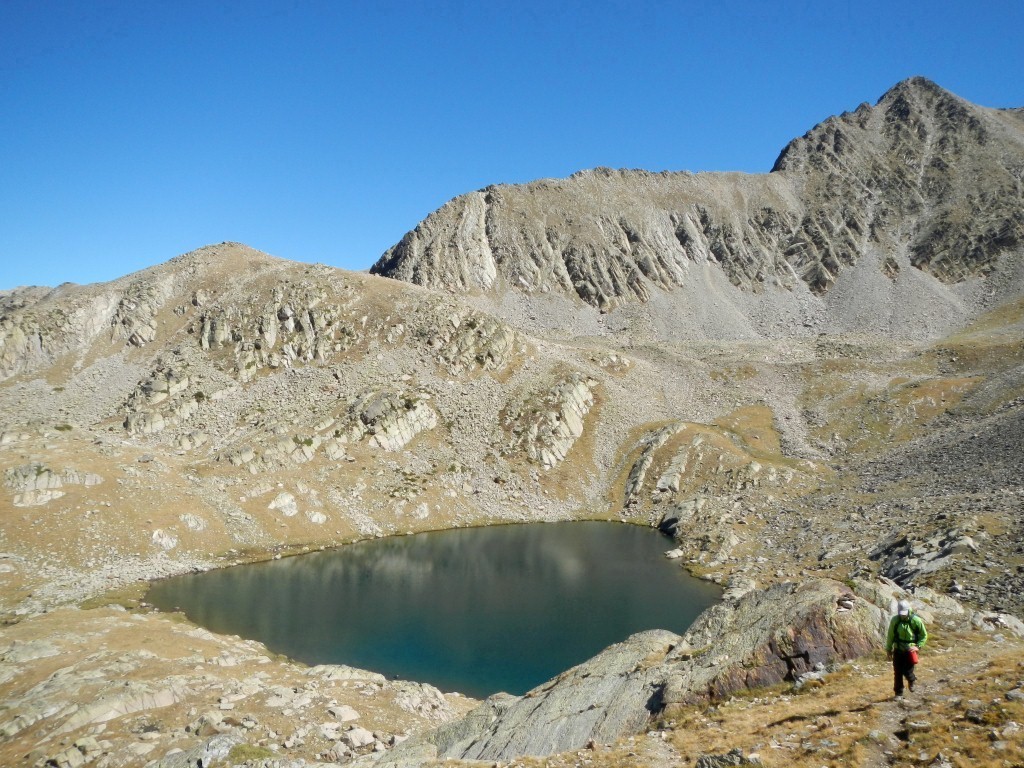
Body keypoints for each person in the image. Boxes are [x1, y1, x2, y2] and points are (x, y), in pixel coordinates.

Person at [885, 599, 928, 697]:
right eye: (901, 613)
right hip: (898, 649)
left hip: (910, 651)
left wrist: (918, 646)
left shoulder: (916, 620)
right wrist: (888, 649)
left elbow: (923, 635)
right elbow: (890, 635)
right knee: (898, 672)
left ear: (909, 610)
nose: (903, 615)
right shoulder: (895, 620)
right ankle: (898, 694)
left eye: (905, 613)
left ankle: (911, 680)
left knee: (907, 671)